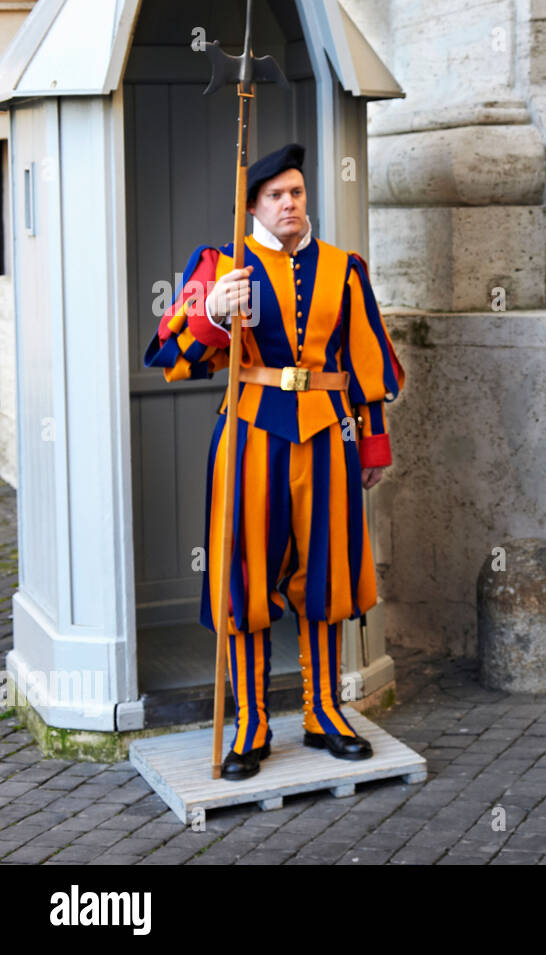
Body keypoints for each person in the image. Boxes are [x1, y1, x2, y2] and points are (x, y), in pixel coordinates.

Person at [144, 143, 406, 780]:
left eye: (296, 192)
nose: (289, 203)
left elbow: (366, 370)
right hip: (251, 435)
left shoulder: (344, 269)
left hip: (326, 436)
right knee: (246, 578)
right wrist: (210, 311)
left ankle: (324, 715)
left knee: (325, 576)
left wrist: (372, 443)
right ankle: (253, 723)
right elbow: (171, 354)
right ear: (253, 205)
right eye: (275, 196)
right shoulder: (223, 266)